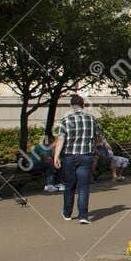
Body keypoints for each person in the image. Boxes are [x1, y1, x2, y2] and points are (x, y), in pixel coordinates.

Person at [52, 94, 103, 225]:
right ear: (83, 105)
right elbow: (99, 136)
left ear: (71, 106)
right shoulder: (91, 119)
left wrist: (56, 156)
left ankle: (67, 213)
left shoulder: (66, 120)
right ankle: (83, 216)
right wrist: (94, 146)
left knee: (69, 185)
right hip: (86, 155)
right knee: (83, 187)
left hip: (69, 156)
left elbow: (60, 139)